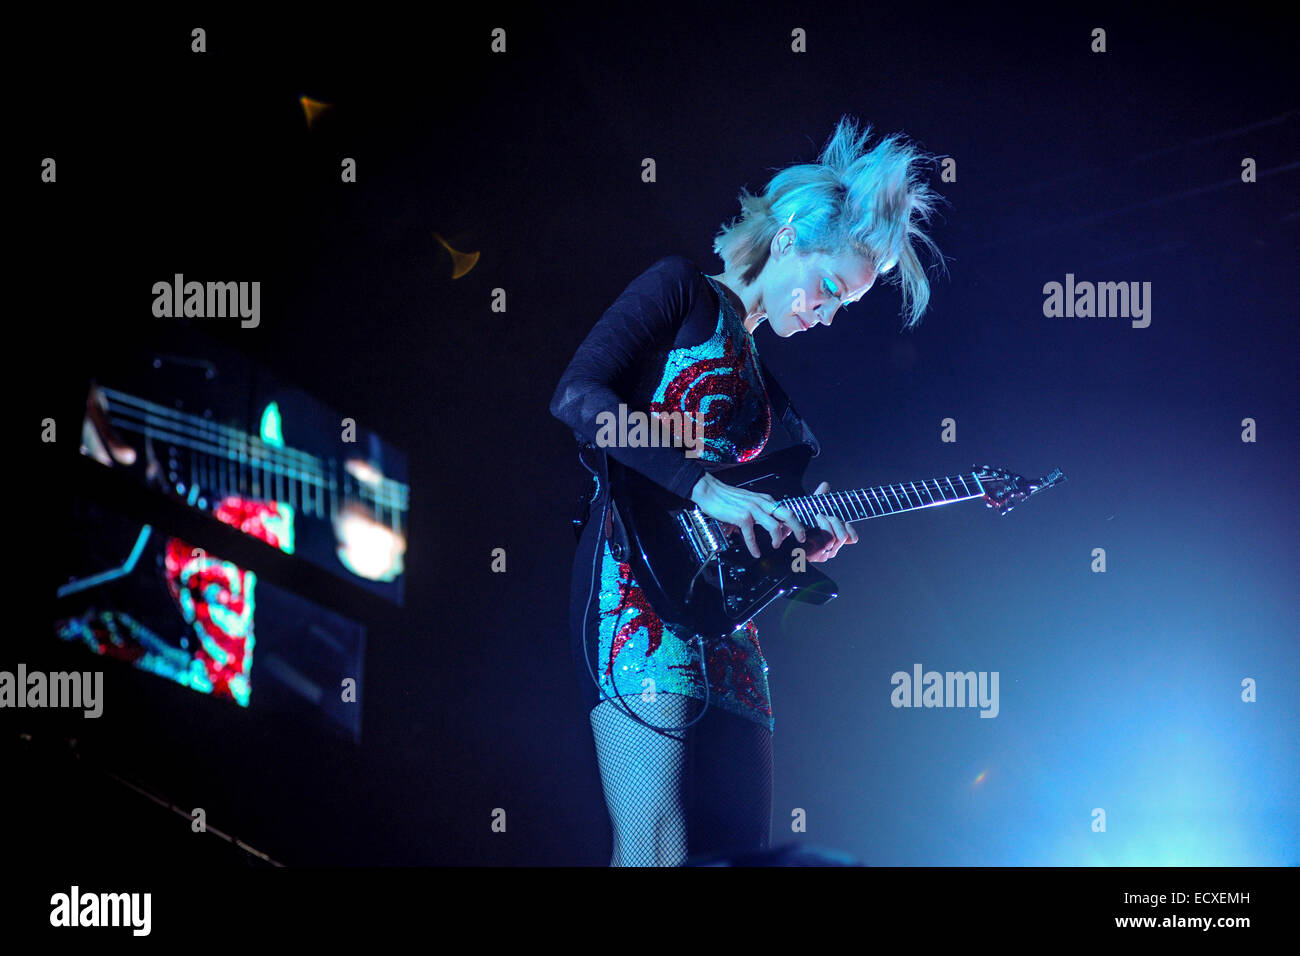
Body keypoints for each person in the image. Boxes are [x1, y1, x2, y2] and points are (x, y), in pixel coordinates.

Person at [549, 115, 945, 866]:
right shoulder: (680, 291)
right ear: (790, 238)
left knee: (739, 849)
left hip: (728, 617)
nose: (825, 314)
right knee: (655, 846)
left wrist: (801, 543)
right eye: (828, 288)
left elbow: (754, 519)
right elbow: (577, 398)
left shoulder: (775, 394)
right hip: (633, 586)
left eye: (843, 307)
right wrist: (704, 487)